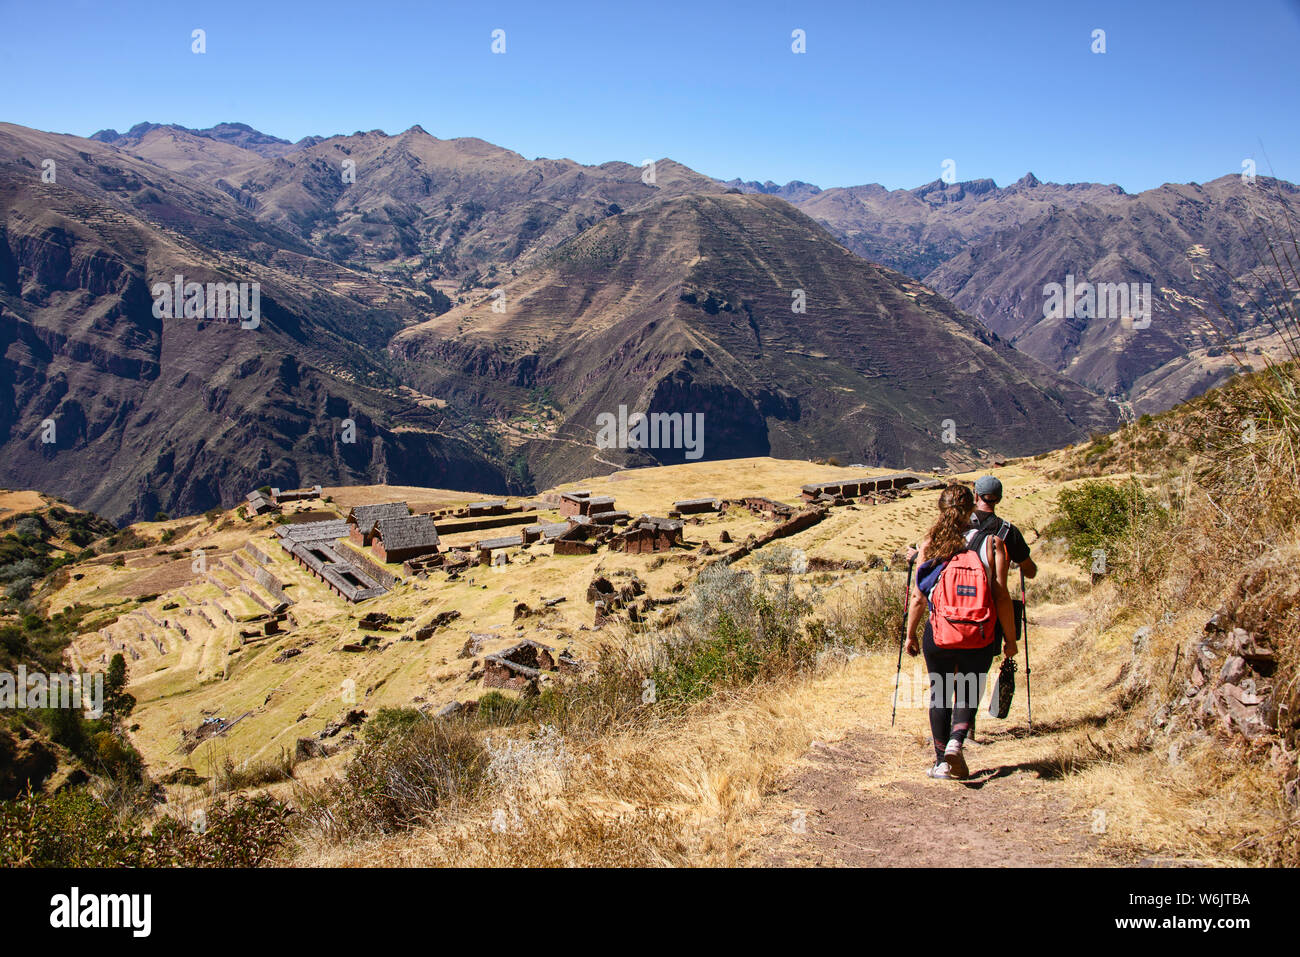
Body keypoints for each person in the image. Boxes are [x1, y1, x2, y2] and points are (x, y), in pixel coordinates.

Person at [904, 483, 1017, 780]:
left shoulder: (931, 542)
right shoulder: (993, 544)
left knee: (940, 694)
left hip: (940, 632)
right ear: (973, 508)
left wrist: (911, 634)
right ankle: (957, 741)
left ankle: (941, 762)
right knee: (969, 689)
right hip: (979, 633)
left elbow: (918, 596)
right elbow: (1002, 596)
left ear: (941, 508)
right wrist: (1010, 639)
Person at [970, 475, 1036, 580]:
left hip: (955, 593)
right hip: (991, 594)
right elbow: (1030, 572)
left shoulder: (960, 524)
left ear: (976, 495)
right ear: (999, 499)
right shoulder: (1008, 531)